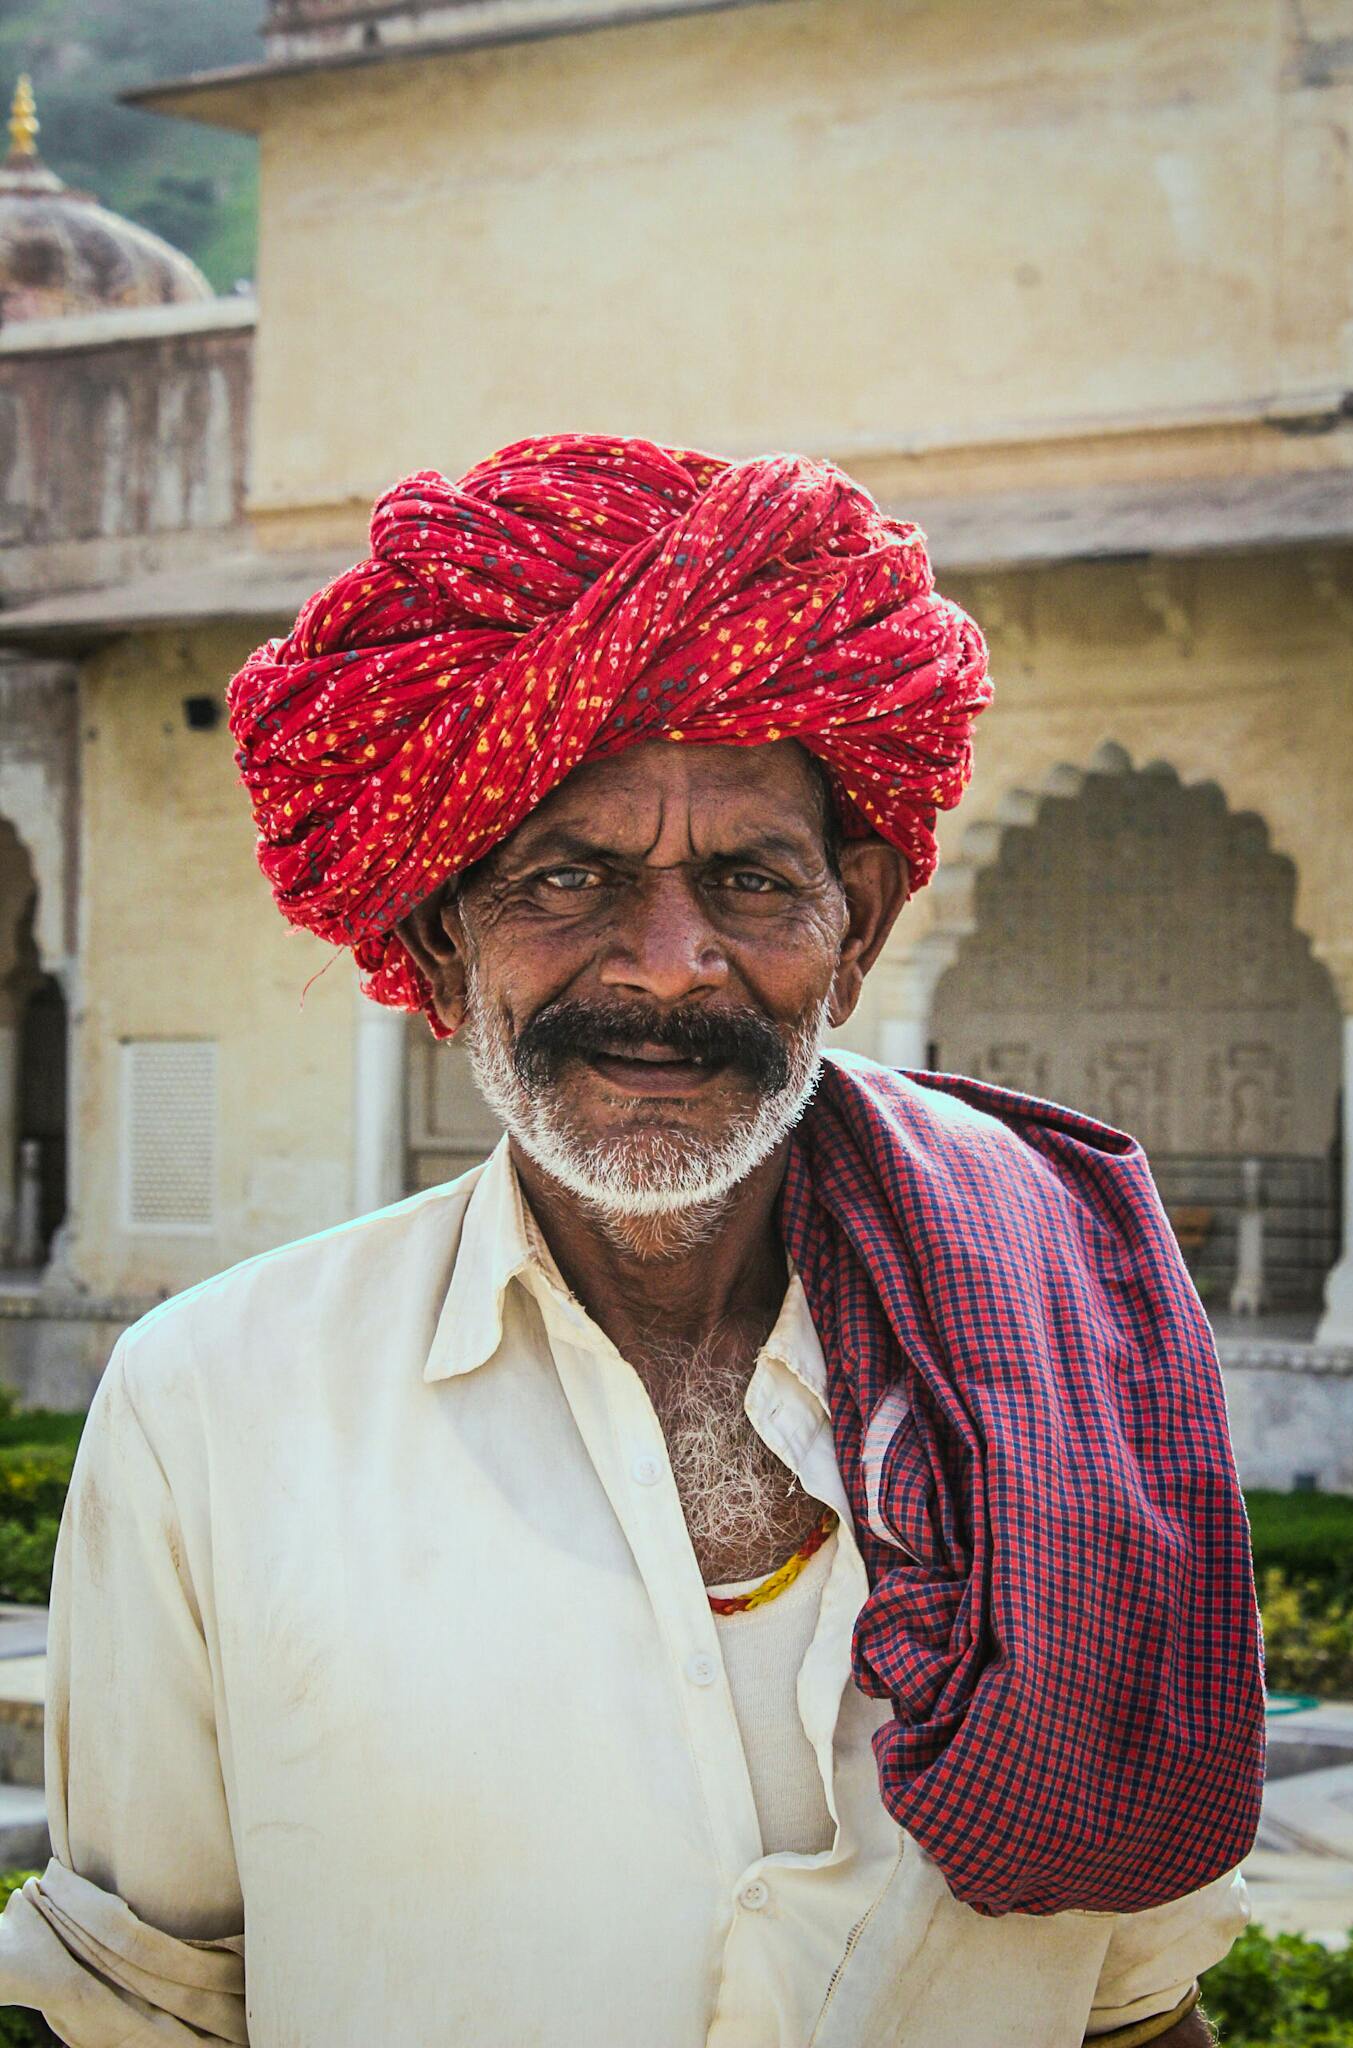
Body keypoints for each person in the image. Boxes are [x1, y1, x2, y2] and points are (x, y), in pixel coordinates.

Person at [0, 435, 1262, 2046]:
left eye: (747, 880)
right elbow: (136, 2012)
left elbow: (1137, 2009)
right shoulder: (215, 1409)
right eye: (565, 877)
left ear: (854, 929)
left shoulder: (1085, 1359)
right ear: (441, 945)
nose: (668, 967)